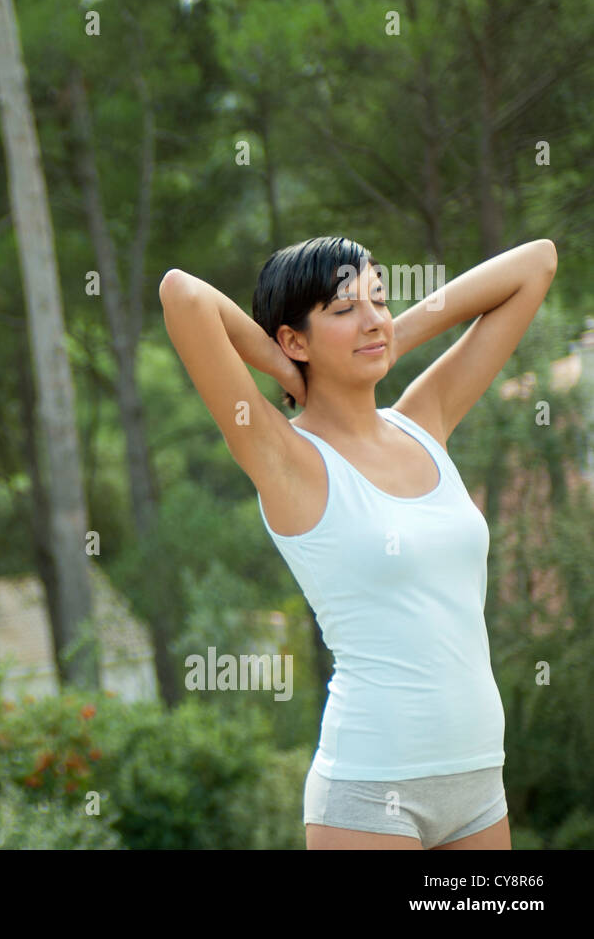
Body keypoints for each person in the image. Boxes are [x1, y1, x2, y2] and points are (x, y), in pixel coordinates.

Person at [158, 237, 557, 849]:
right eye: (344, 309)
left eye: (379, 299)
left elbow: (537, 263)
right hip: (370, 793)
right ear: (293, 340)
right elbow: (182, 294)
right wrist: (282, 367)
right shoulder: (287, 458)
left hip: (479, 782)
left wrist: (390, 335)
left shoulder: (425, 421)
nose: (371, 317)